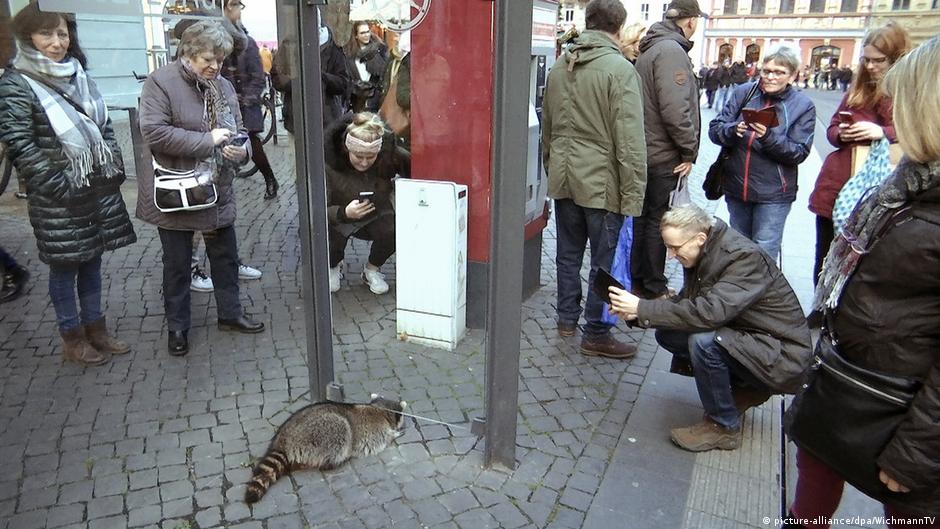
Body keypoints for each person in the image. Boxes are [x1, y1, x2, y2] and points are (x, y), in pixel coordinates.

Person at [786, 35, 940, 529]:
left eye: (904, 102)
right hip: (848, 383)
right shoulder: (910, 182)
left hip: (900, 410)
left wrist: (916, 451)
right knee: (809, 498)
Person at [608, 204, 812, 452]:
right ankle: (743, 388)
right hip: (754, 338)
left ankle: (723, 426)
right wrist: (635, 313)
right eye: (668, 247)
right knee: (670, 333)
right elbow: (688, 304)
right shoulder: (706, 251)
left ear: (700, 237)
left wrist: (642, 308)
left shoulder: (741, 257)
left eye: (675, 247)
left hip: (783, 355)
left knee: (703, 341)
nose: (671, 255)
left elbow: (708, 314)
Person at [0, 3, 136, 366]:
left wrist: (113, 164)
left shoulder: (78, 74)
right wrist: (59, 184)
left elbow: (103, 125)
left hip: (93, 186)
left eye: (62, 33)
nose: (57, 42)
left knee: (91, 262)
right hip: (57, 195)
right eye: (47, 34)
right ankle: (72, 339)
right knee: (64, 268)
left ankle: (97, 330)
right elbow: (19, 142)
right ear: (28, 35)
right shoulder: (17, 82)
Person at [138, 20, 265, 357]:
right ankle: (177, 327)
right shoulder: (160, 82)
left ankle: (230, 314)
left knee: (224, 256)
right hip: (178, 187)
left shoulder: (221, 85)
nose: (215, 66)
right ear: (189, 52)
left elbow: (237, 129)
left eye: (220, 60)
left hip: (217, 187)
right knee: (177, 264)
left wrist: (242, 151)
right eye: (208, 59)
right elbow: (154, 132)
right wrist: (207, 141)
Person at [542, 0, 647, 359]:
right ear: (619, 26)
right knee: (606, 261)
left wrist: (552, 171)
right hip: (603, 185)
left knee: (568, 256)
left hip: (566, 179)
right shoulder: (619, 69)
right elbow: (630, 141)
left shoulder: (560, 65)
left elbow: (548, 131)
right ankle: (597, 331)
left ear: (588, 22)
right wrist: (634, 195)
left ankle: (566, 320)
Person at [806, 23, 910, 326]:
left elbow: (916, 131)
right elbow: (833, 128)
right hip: (837, 182)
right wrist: (844, 132)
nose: (871, 66)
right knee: (824, 253)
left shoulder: (905, 90)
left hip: (873, 187)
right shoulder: (858, 86)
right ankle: (820, 309)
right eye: (866, 59)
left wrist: (882, 132)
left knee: (861, 258)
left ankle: (844, 316)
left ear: (897, 58)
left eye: (879, 60)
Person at [707, 45, 816, 263]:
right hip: (737, 187)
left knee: (764, 251)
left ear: (792, 75)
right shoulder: (743, 93)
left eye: (779, 72)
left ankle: (761, 296)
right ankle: (737, 293)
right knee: (738, 246)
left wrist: (768, 137)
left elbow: (798, 152)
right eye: (767, 70)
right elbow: (715, 129)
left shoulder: (802, 105)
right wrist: (732, 130)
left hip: (773, 194)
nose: (770, 77)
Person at [631, 0, 705, 301]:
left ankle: (640, 280)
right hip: (663, 155)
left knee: (643, 219)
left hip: (647, 151)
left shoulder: (652, 48)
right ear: (691, 21)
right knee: (656, 222)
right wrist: (688, 151)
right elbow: (676, 110)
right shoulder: (672, 51)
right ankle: (653, 286)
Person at [325, 112, 409, 294]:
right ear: (347, 149)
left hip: (375, 211)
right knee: (327, 232)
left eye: (370, 157)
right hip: (339, 215)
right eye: (358, 156)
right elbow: (314, 209)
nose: (364, 162)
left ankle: (371, 269)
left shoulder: (390, 156)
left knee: (395, 229)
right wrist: (343, 213)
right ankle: (333, 265)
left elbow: (415, 170)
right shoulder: (327, 163)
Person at [223, 0, 278, 199]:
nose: (240, 11)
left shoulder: (249, 43)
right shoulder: (218, 43)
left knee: (253, 146)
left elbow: (258, 76)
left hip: (245, 106)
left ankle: (270, 179)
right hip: (225, 105)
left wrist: (246, 98)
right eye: (238, 6)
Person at [344, 21, 386, 113]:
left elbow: (384, 76)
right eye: (362, 33)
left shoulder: (379, 50)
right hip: (356, 101)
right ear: (356, 35)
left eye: (367, 32)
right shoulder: (349, 55)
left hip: (375, 100)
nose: (366, 35)